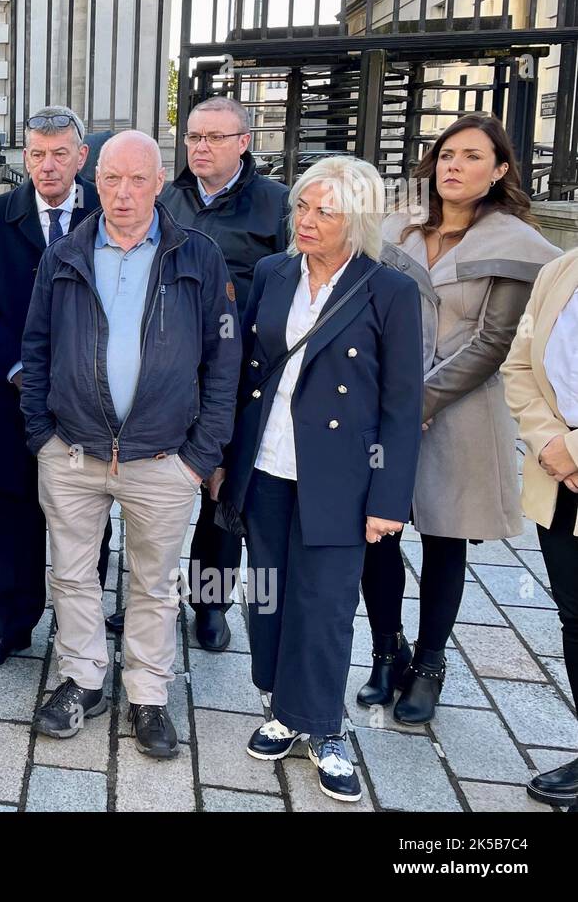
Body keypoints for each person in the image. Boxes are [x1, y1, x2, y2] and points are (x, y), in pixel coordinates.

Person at [21, 130, 239, 759]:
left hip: (164, 457)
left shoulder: (197, 254)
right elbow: (36, 348)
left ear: (160, 180)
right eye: (111, 179)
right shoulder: (66, 253)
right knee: (71, 571)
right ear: (97, 180)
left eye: (137, 179)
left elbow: (224, 361)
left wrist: (201, 454)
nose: (121, 193)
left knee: (153, 581)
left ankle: (147, 691)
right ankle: (82, 677)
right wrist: (42, 434)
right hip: (73, 452)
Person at [216, 156, 423, 803]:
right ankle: (282, 706)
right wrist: (226, 457)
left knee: (328, 606)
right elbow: (251, 371)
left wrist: (388, 497)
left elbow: (401, 403)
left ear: (356, 219)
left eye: (323, 211)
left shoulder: (388, 290)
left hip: (341, 480)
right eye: (302, 207)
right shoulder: (276, 272)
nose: (305, 220)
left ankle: (325, 728)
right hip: (267, 465)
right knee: (269, 595)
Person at [359, 114, 561, 724]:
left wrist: (418, 403)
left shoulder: (516, 246)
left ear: (499, 170)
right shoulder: (396, 227)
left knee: (446, 540)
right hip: (383, 402)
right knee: (377, 534)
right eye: (447, 153)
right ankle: (385, 651)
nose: (454, 165)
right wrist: (388, 396)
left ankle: (430, 664)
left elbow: (494, 343)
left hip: (461, 412)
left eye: (473, 156)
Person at [0, 107, 103, 671]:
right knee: (11, 516)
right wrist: (19, 370)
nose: (47, 166)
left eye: (60, 154)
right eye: (37, 154)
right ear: (25, 156)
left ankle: (81, 625)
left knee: (88, 518)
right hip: (9, 395)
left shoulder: (109, 211)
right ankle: (12, 621)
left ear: (81, 156)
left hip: (94, 403)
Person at [159, 96, 289, 652]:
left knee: (222, 495)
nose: (201, 147)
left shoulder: (278, 205)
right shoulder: (168, 199)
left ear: (244, 142)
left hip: (238, 372)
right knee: (155, 492)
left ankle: (210, 605)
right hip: (168, 370)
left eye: (214, 137)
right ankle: (151, 599)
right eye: (193, 137)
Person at [503, 245, 578, 808]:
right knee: (575, 619)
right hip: (559, 477)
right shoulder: (560, 270)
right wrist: (550, 440)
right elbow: (520, 362)